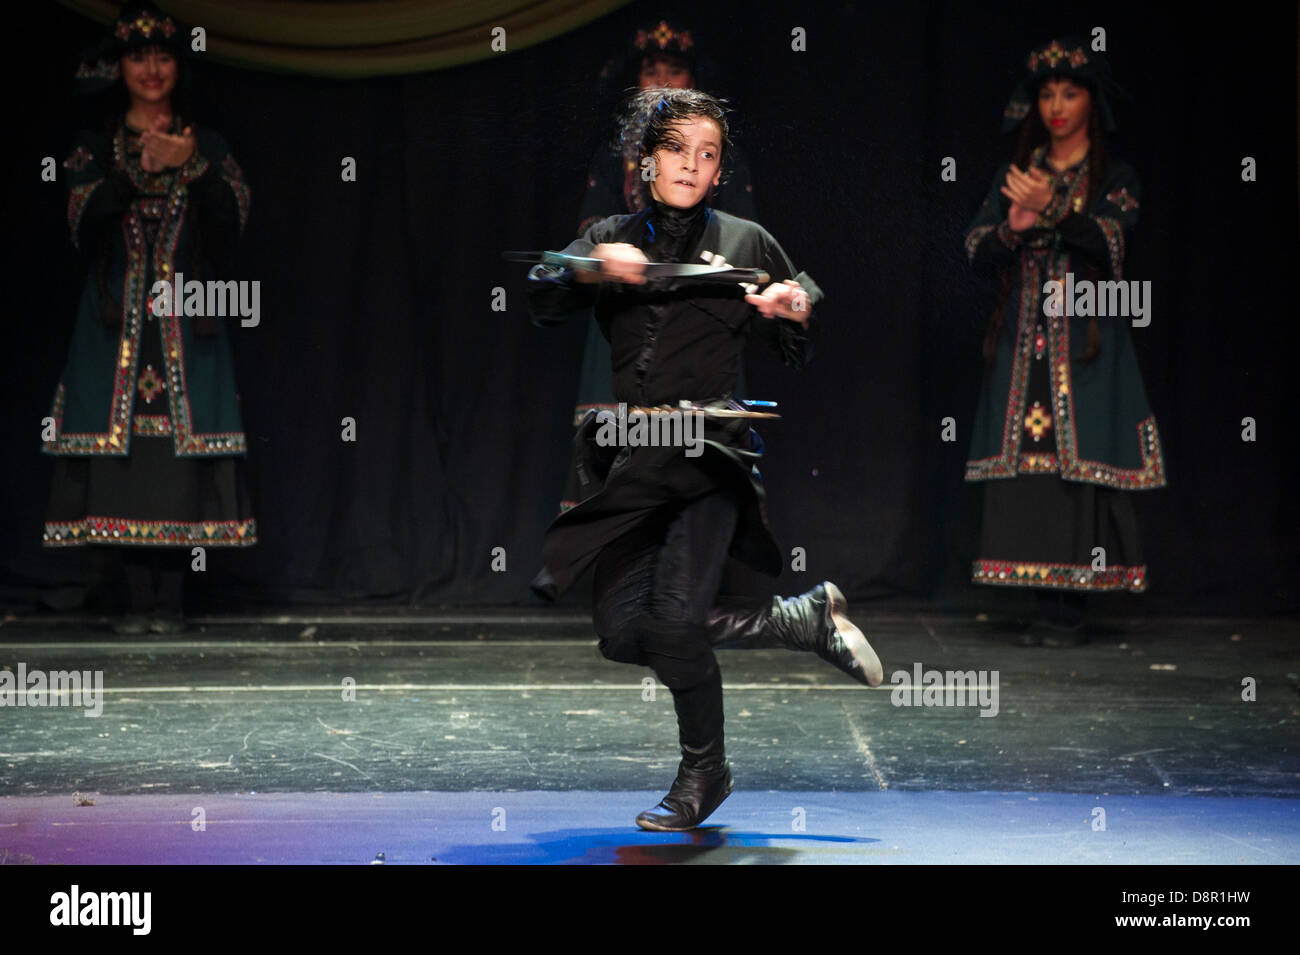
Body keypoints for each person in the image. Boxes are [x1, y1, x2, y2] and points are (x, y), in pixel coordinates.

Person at [526, 88, 883, 831]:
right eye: (677, 149)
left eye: (708, 153)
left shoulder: (746, 240)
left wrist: (792, 306)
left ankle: (704, 771)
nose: (692, 164)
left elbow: (797, 318)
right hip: (628, 463)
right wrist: (591, 267)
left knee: (678, 623)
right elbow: (542, 295)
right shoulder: (609, 233)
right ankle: (800, 620)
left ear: (719, 170)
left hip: (706, 458)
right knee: (626, 633)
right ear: (646, 161)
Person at [43, 2, 256, 633]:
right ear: (121, 67)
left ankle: (173, 603)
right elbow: (81, 223)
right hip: (116, 329)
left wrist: (188, 164)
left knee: (180, 462)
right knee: (125, 458)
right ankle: (134, 602)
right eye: (139, 56)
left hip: (188, 322)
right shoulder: (94, 147)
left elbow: (235, 219)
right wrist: (141, 170)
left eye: (163, 56)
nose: (153, 68)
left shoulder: (206, 143)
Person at [963, 37, 1165, 647]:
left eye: (1069, 93)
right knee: (1028, 461)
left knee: (1082, 460)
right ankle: (1041, 597)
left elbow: (1113, 243)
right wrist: (1011, 227)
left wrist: (1054, 208)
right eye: (1047, 93)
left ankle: (1074, 604)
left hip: (1086, 341)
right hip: (1024, 341)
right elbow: (975, 249)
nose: (1056, 105)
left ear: (1090, 102)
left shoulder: (1113, 176)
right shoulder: (1014, 175)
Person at [570, 17, 757, 427]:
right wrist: (608, 252)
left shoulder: (722, 156)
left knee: (698, 455)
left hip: (699, 315)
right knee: (620, 455)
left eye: (675, 71)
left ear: (694, 80)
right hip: (625, 316)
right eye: (651, 72)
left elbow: (748, 242)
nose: (663, 83)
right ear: (635, 82)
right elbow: (589, 231)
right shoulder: (614, 153)